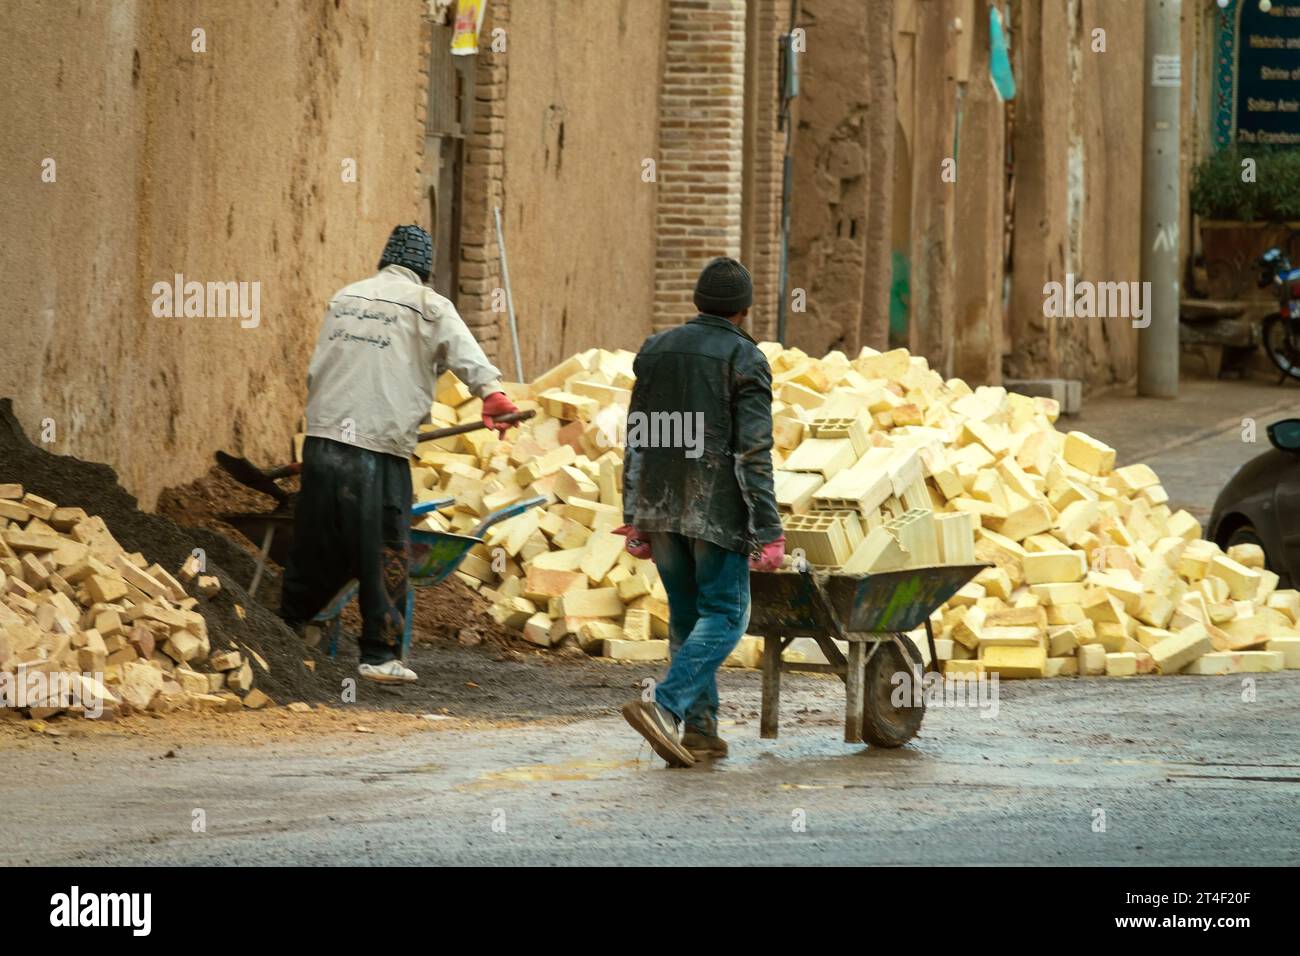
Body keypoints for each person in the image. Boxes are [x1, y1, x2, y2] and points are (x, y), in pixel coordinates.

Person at [279, 224, 519, 683]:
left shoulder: (345, 296)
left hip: (323, 441)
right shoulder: (429, 305)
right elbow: (466, 355)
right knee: (384, 550)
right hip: (378, 450)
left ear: (383, 259)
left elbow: (320, 366)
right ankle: (379, 655)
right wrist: (492, 395)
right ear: (424, 270)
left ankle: (289, 631)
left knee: (314, 544)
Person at [617, 257, 785, 766]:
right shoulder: (745, 359)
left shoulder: (655, 350)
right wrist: (770, 531)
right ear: (745, 310)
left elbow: (639, 439)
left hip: (662, 505)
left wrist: (637, 513)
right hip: (715, 510)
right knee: (728, 615)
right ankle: (665, 707)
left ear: (697, 302)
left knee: (689, 618)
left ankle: (702, 733)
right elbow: (753, 452)